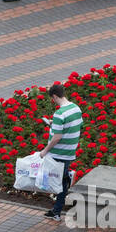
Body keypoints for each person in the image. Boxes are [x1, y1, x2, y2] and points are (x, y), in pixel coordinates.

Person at [36, 83, 82, 220]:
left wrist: (45, 150)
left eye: (53, 99)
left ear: (55, 96)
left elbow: (57, 137)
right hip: (70, 150)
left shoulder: (59, 113)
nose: (53, 101)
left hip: (58, 152)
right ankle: (56, 210)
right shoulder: (75, 108)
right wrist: (53, 124)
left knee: (57, 181)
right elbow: (75, 125)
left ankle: (57, 211)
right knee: (59, 180)